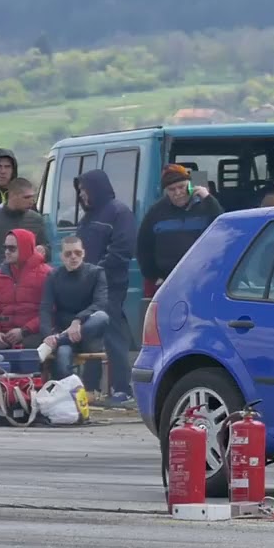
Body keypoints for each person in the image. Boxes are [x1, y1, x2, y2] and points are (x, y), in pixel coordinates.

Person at [74, 169, 136, 404]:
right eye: (80, 190)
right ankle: (91, 388)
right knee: (91, 335)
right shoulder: (87, 217)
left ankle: (122, 388)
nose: (81, 195)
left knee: (114, 336)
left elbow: (122, 250)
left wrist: (96, 272)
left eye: (84, 190)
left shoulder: (120, 212)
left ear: (95, 189)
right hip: (88, 287)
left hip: (111, 286)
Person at [137, 164, 223, 298]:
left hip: (203, 280)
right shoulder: (156, 212)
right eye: (172, 189)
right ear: (166, 191)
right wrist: (154, 277)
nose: (177, 193)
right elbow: (143, 248)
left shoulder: (206, 207)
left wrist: (208, 198)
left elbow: (223, 230)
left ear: (191, 185)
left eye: (181, 187)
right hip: (168, 282)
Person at [37, 236, 110, 381]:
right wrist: (47, 336)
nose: (73, 257)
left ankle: (60, 340)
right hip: (64, 333)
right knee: (63, 359)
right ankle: (69, 396)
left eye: (77, 253)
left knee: (102, 317)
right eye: (68, 254)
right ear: (61, 256)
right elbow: (45, 308)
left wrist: (78, 320)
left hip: (87, 332)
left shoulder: (96, 273)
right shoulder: (54, 276)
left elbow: (100, 303)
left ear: (83, 253)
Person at [0, 230, 50, 355]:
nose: (6, 252)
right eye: (5, 248)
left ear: (26, 248)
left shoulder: (47, 274)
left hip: (31, 333)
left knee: (24, 351)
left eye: (12, 248)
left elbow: (49, 312)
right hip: (2, 334)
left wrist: (24, 331)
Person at [0, 177, 49, 272]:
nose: (32, 201)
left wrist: (43, 249)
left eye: (33, 197)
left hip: (28, 276)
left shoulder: (36, 219)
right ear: (13, 196)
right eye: (26, 197)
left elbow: (48, 251)